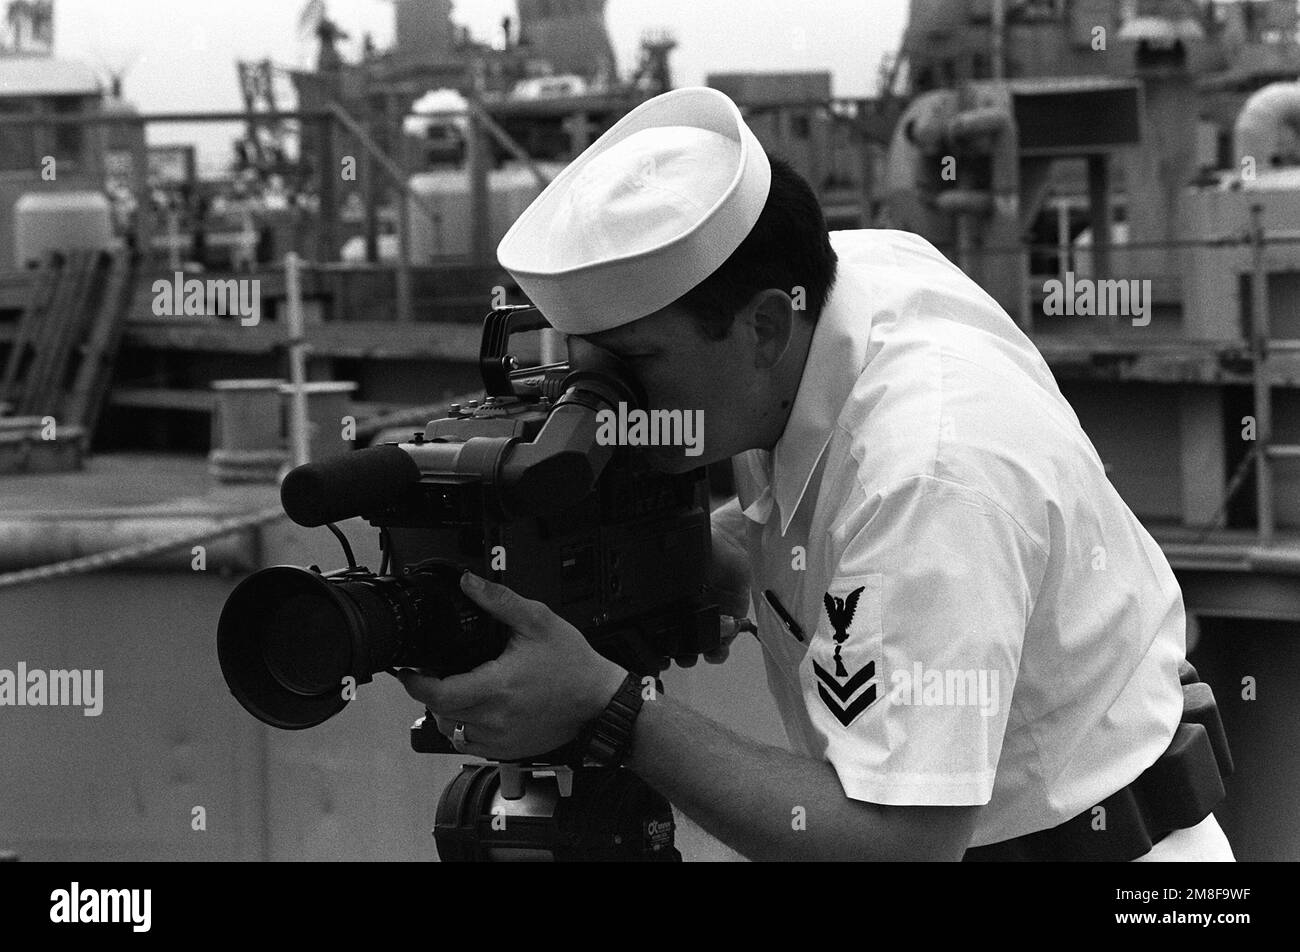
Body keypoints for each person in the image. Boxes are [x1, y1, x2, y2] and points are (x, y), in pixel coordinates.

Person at [399, 87, 1234, 861]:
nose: (608, 409)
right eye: (585, 373)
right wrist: (697, 558)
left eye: (636, 367)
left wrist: (606, 708)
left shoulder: (928, 474)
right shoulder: (846, 287)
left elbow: (898, 847)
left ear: (764, 326)